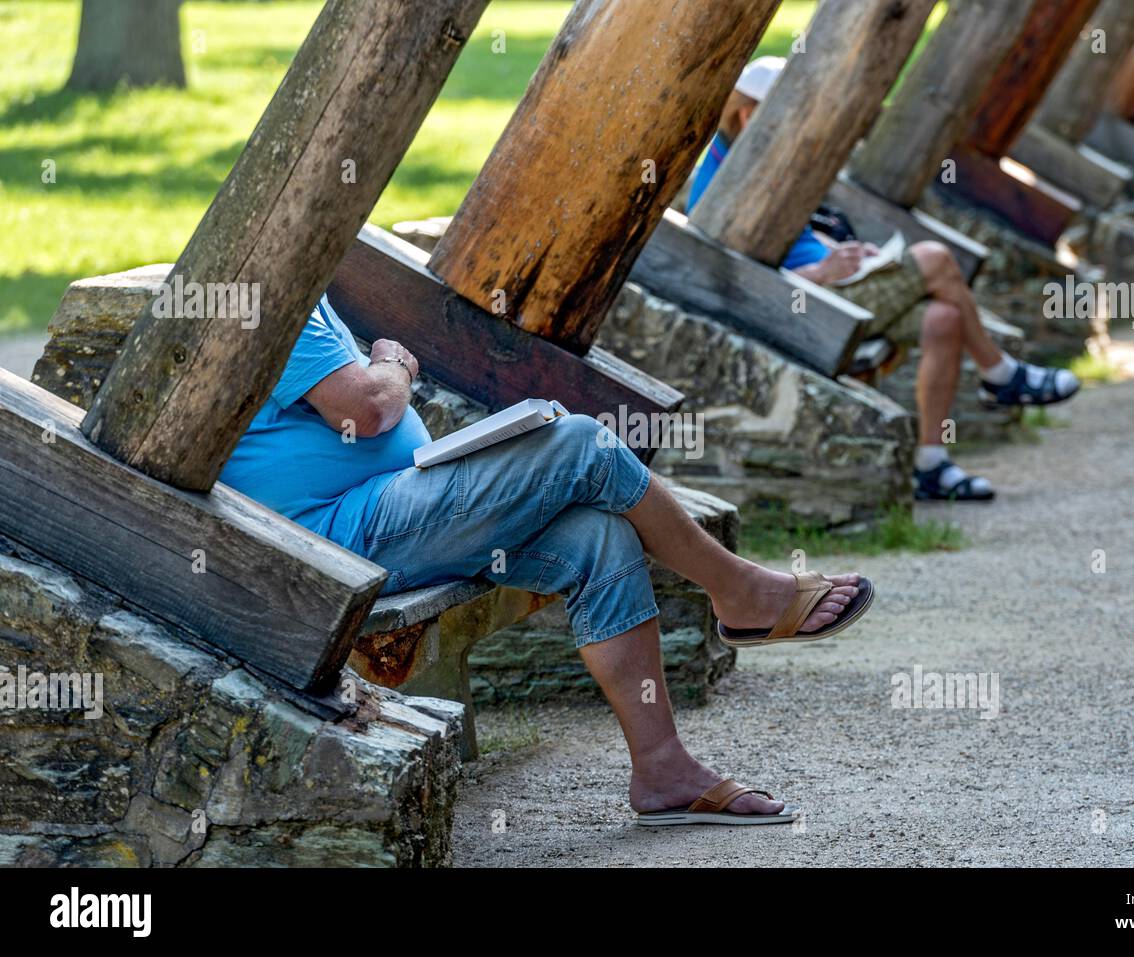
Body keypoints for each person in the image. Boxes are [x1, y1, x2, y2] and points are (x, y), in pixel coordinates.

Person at [218, 293, 874, 825]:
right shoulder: (270, 292)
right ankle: (743, 593)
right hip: (338, 541)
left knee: (597, 537)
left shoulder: (302, 289)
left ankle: (663, 769)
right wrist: (396, 363)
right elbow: (366, 407)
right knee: (582, 443)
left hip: (376, 515)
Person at [688, 56, 1081, 502]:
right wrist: (822, 271)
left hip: (836, 284)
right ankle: (1001, 373)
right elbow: (740, 281)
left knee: (943, 320)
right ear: (748, 116)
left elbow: (788, 235)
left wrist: (841, 252)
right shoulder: (719, 181)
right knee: (933, 258)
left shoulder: (748, 161)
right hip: (816, 303)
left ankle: (932, 464)